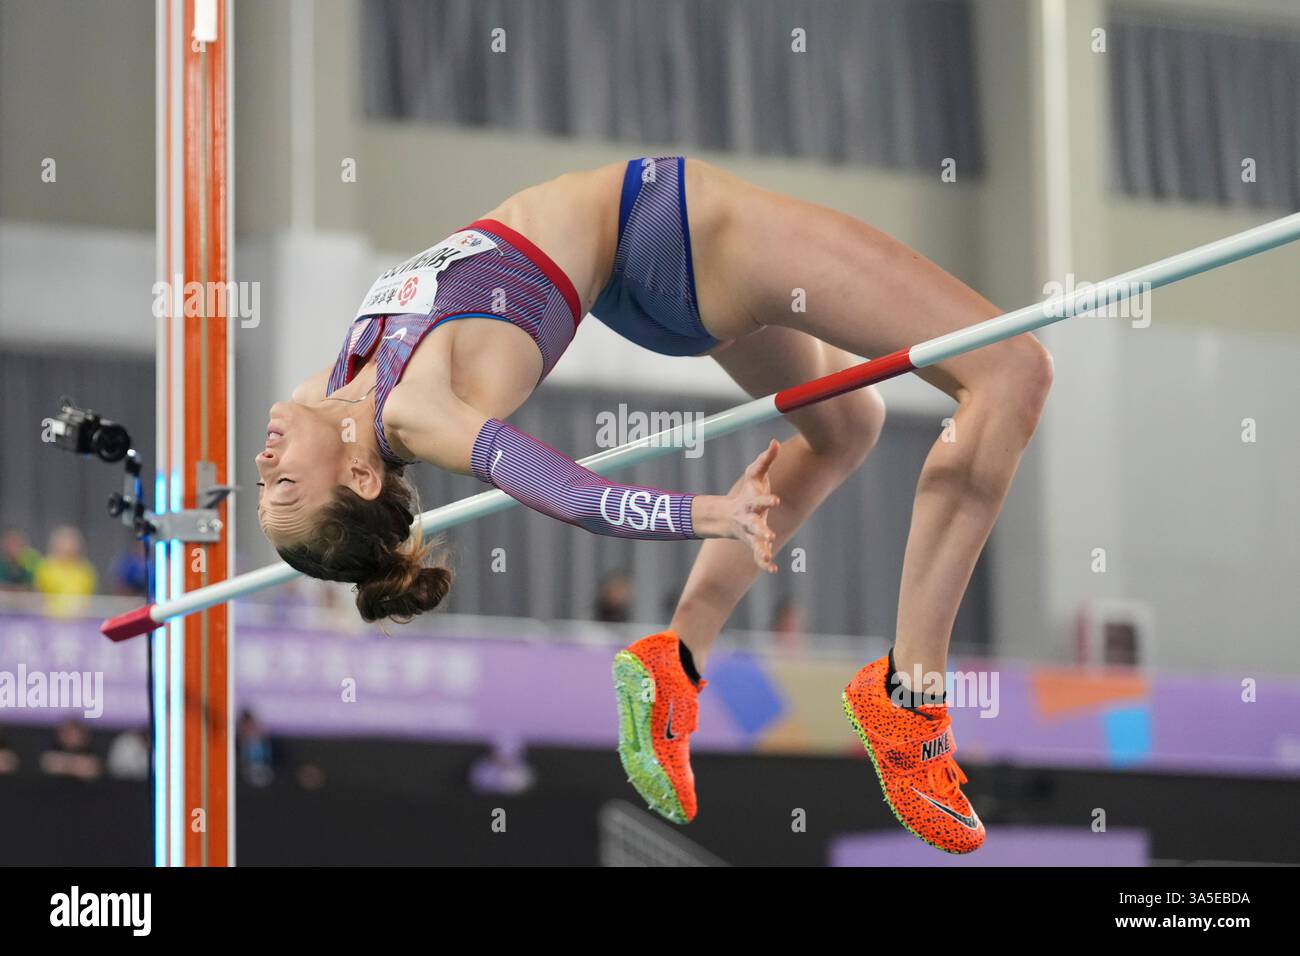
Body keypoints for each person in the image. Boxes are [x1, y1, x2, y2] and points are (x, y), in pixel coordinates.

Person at [255, 157, 1052, 853]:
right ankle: (910, 699)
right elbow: (569, 490)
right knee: (1010, 369)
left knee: (847, 425)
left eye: (264, 483)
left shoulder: (334, 391)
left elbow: (324, 459)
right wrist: (705, 511)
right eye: (283, 483)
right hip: (673, 233)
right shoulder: (413, 414)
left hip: (644, 282)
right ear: (360, 479)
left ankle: (677, 662)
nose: (265, 463)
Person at [33, 526, 97, 617]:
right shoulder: (46, 568)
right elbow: (39, 595)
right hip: (50, 620)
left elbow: (89, 598)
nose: (68, 548)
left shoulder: (86, 569)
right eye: (64, 544)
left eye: (72, 545)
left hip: (79, 620)